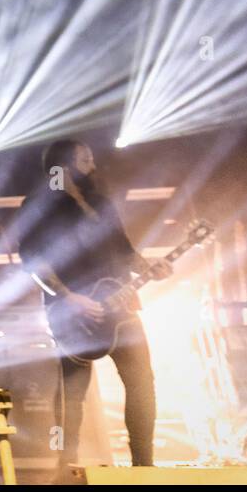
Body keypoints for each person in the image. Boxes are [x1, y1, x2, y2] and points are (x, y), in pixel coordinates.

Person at [17, 139, 170, 471]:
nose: (93, 165)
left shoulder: (101, 203)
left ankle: (144, 465)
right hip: (72, 313)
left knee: (142, 381)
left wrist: (148, 267)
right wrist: (69, 299)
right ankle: (65, 464)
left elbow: (124, 250)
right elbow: (31, 262)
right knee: (72, 393)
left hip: (122, 304)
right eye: (85, 159)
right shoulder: (38, 206)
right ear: (63, 164)